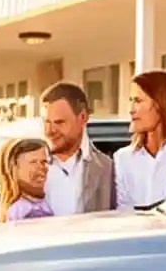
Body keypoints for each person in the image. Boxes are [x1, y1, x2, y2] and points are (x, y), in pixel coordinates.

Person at [114, 70, 166, 210]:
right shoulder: (123, 158)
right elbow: (123, 211)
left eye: (138, 101)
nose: (131, 109)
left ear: (160, 104)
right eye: (131, 101)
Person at [40, 81, 115, 215]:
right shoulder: (27, 165)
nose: (50, 131)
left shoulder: (108, 169)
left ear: (82, 117)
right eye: (46, 122)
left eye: (58, 122)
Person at [0, 137, 54, 222]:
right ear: (13, 170)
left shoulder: (49, 199)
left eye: (45, 161)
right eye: (33, 162)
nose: (42, 167)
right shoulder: (26, 211)